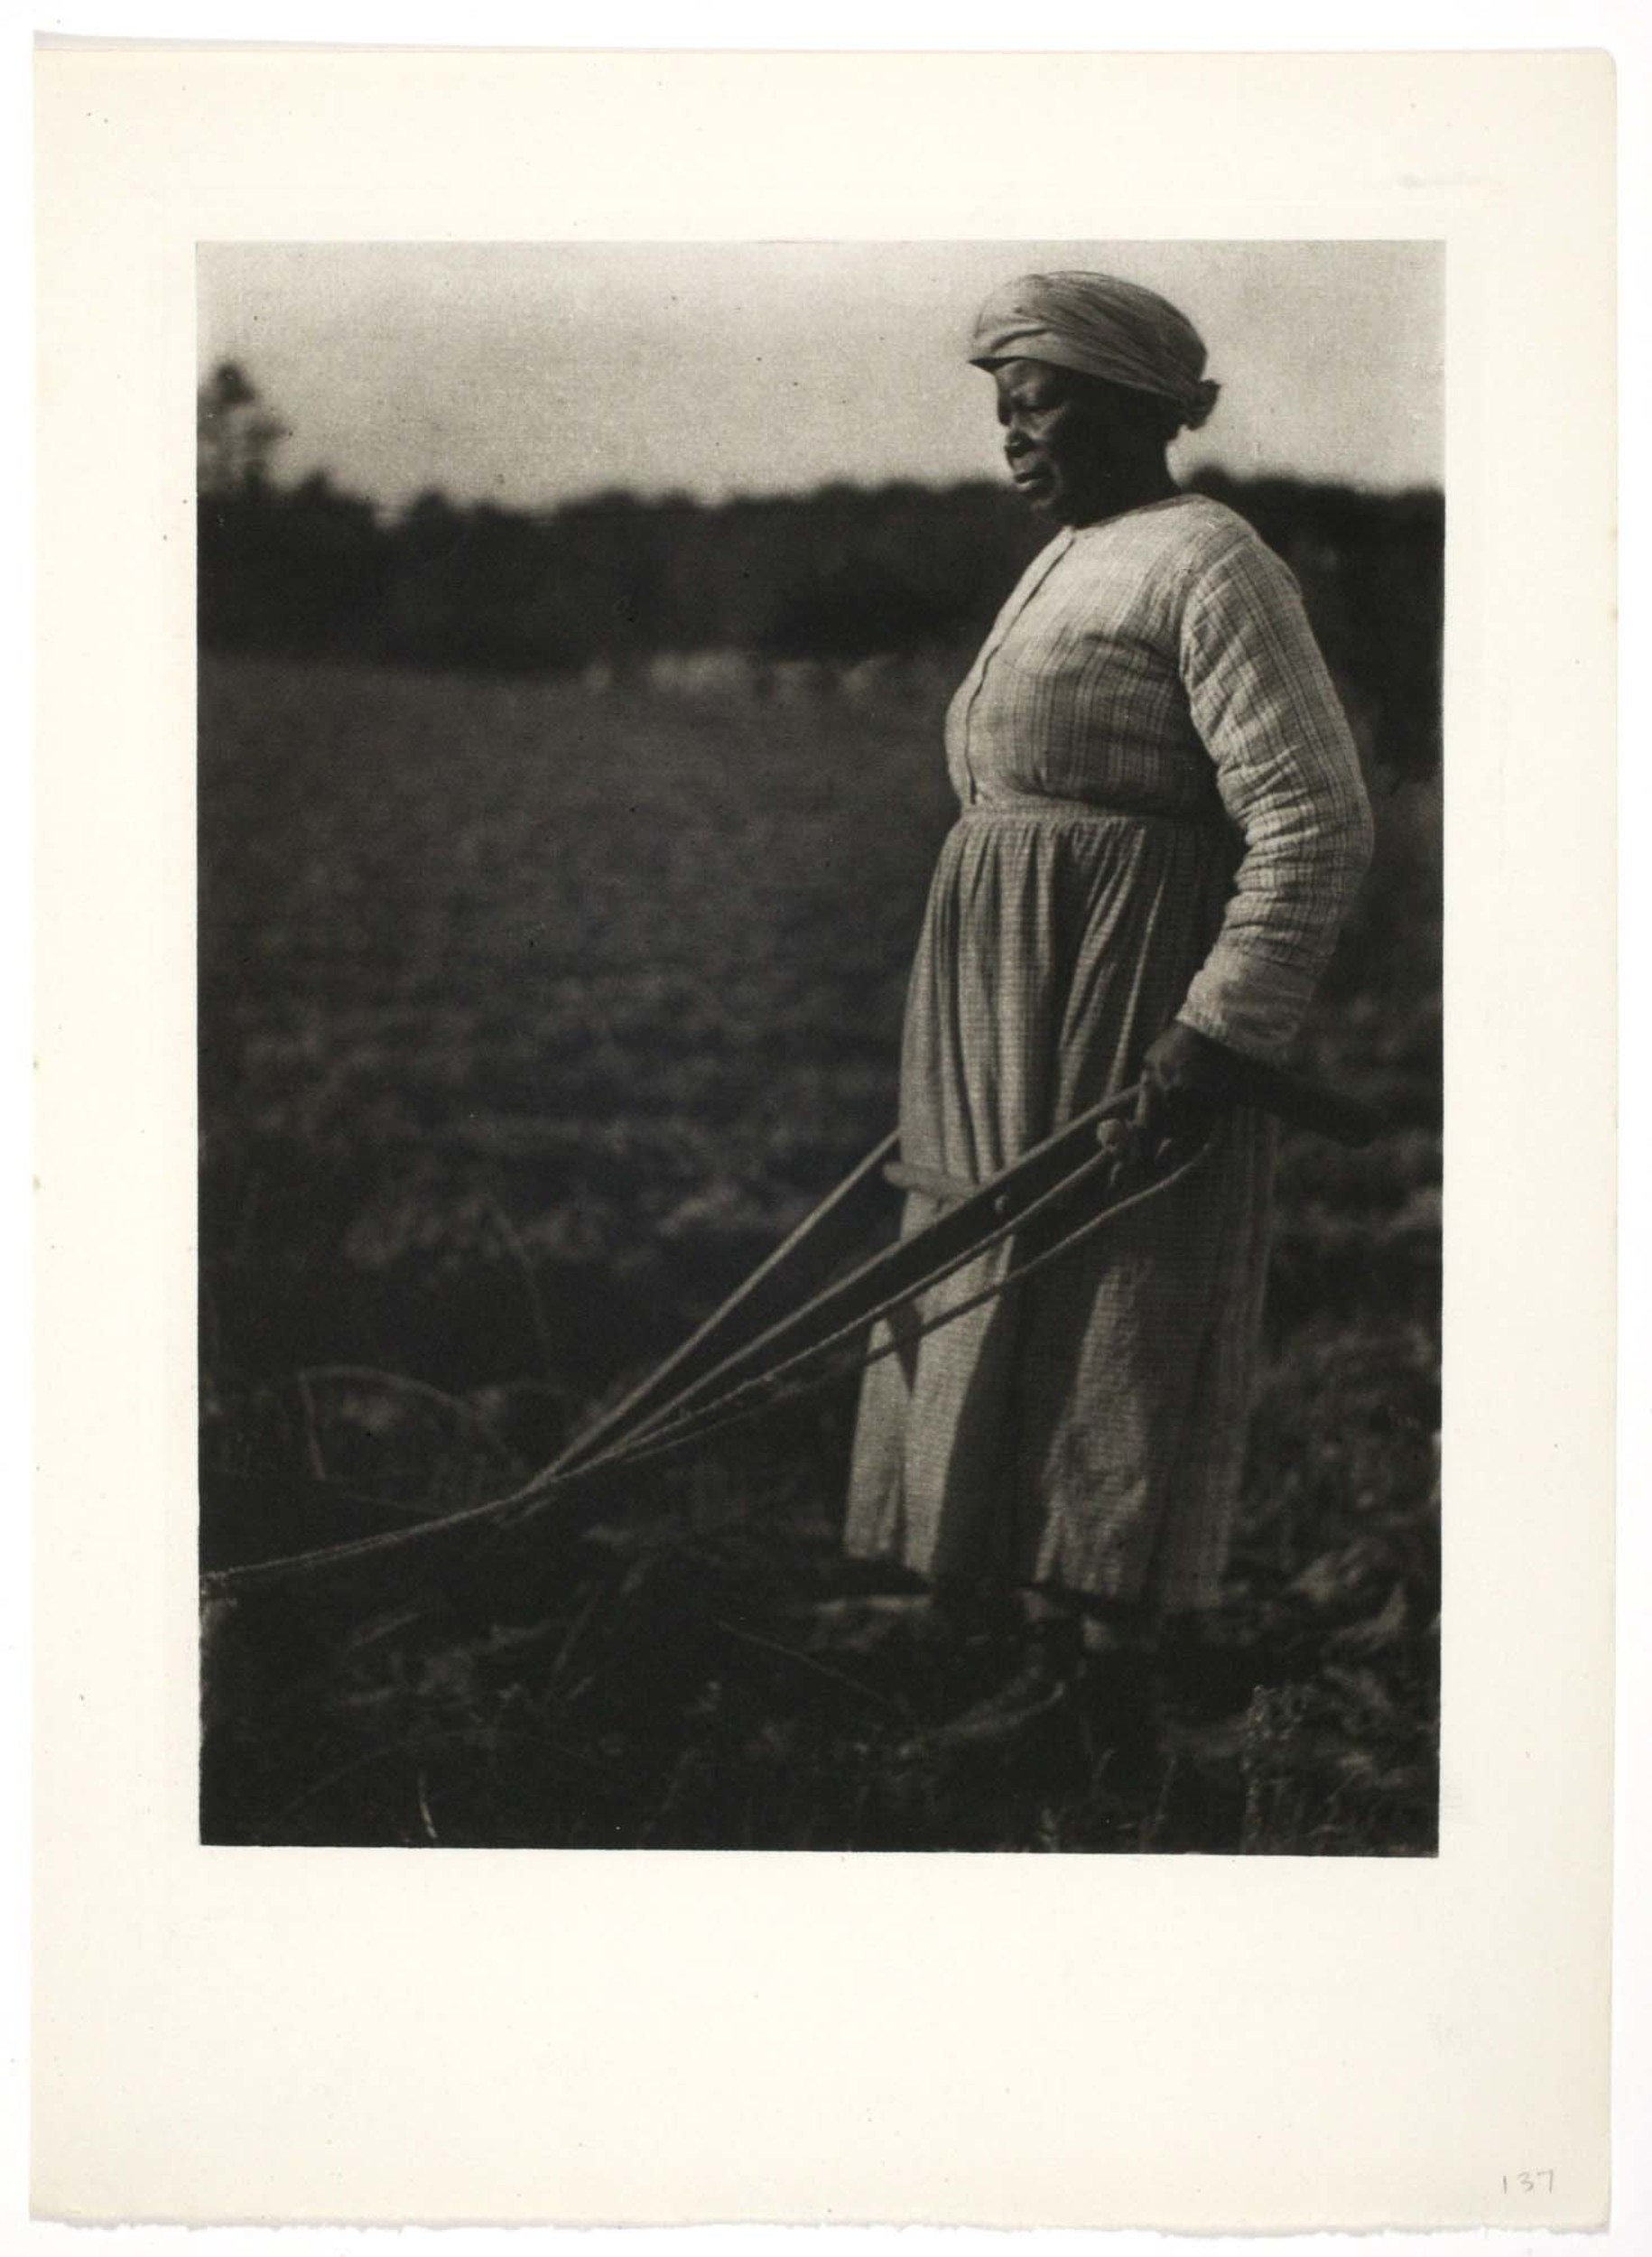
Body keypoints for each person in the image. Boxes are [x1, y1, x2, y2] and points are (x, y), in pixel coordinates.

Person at [843, 270, 1375, 1747]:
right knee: (976, 1265)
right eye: (1002, 409)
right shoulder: (1074, 555)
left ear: (1145, 409)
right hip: (1004, 984)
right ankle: (965, 1605)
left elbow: (1314, 819)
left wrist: (1217, 1029)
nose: (1013, 435)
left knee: (1112, 1291)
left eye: (1044, 401)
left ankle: (1090, 1659)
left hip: (1120, 987)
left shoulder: (1210, 561)